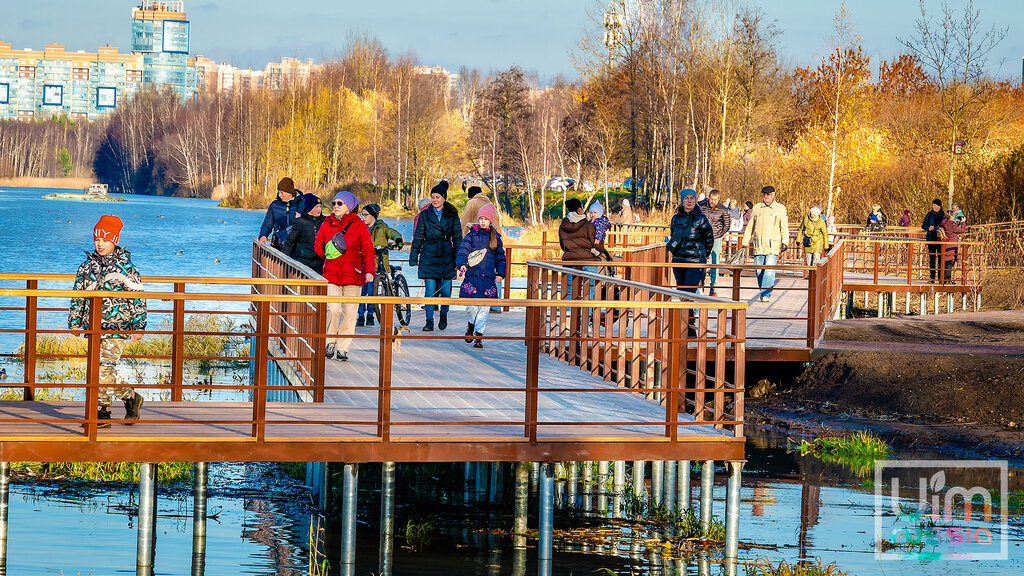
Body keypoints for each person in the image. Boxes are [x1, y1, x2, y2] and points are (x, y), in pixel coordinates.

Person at [68, 215, 146, 428]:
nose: (100, 244)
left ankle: (109, 410)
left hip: (118, 327)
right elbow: (78, 297)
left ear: (115, 241)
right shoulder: (86, 267)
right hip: (94, 328)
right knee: (97, 370)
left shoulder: (126, 268)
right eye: (97, 240)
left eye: (105, 240)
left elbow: (138, 300)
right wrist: (75, 322)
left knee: (103, 370)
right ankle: (124, 400)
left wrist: (138, 327)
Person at [314, 191, 375, 362]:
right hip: (332, 274)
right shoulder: (326, 224)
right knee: (333, 309)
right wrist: (330, 252)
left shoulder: (359, 225)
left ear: (349, 206)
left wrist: (369, 271)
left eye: (340, 203)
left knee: (350, 312)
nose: (335, 207)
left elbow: (369, 250)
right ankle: (330, 341)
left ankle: (343, 348)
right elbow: (318, 248)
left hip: (354, 275)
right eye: (334, 203)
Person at [409, 181, 462, 332]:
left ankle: (444, 314)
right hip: (429, 254)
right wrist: (414, 257)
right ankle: (429, 321)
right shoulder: (424, 215)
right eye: (433, 197)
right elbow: (419, 236)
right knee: (429, 291)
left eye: (437, 197)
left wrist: (459, 259)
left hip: (446, 254)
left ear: (444, 198)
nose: (434, 199)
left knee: (445, 292)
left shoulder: (452, 214)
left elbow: (458, 237)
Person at [456, 204, 507, 348]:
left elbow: (500, 258)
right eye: (481, 218)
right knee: (472, 308)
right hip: (472, 277)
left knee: (484, 309)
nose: (483, 221)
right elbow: (463, 251)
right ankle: (471, 326)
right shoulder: (471, 235)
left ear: (491, 220)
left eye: (486, 219)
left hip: (488, 279)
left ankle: (479, 336)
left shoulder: (495, 237)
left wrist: (500, 274)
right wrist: (462, 264)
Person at [357, 203, 404, 327]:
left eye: (366, 215)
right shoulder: (361, 228)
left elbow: (392, 232)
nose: (363, 217)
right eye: (362, 215)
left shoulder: (382, 227)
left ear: (373, 216)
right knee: (362, 291)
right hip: (364, 264)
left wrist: (398, 240)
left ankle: (371, 314)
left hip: (378, 264)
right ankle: (360, 315)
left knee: (373, 290)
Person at [741, 186, 789, 302]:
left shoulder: (780, 208)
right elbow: (750, 226)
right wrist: (745, 241)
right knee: (758, 270)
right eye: (764, 194)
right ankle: (763, 290)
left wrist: (785, 242)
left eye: (768, 194)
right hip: (759, 244)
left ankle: (766, 294)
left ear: (773, 195)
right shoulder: (757, 207)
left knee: (769, 270)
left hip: (773, 245)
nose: (766, 196)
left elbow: (784, 227)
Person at [667, 189, 714, 293]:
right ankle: (690, 310)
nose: (689, 201)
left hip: (695, 262)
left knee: (688, 292)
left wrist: (703, 254)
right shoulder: (676, 218)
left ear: (695, 200)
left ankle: (691, 309)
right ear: (682, 201)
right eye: (686, 198)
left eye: (692, 198)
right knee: (681, 292)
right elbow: (673, 235)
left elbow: (709, 238)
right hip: (679, 261)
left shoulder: (701, 219)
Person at [558, 198, 600, 298]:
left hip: (570, 259)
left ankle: (568, 313)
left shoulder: (563, 226)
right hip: (588, 260)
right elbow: (595, 244)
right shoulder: (588, 225)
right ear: (579, 210)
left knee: (570, 290)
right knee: (589, 290)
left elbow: (563, 245)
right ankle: (589, 313)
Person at [282, 193, 325, 274]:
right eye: (316, 207)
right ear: (309, 208)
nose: (319, 209)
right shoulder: (300, 222)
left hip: (320, 262)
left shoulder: (324, 221)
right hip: (304, 262)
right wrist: (283, 258)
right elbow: (290, 242)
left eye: (320, 206)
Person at [701, 189, 732, 297]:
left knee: (715, 262)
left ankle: (713, 286)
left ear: (718, 199)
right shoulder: (702, 207)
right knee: (702, 261)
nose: (712, 202)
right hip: (703, 238)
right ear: (708, 197)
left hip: (716, 238)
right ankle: (701, 285)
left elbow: (727, 225)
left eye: (715, 200)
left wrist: (719, 234)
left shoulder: (723, 210)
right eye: (711, 199)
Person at [258, 177, 300, 248]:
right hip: (278, 243)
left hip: (296, 245)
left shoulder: (300, 204)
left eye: (282, 192)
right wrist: (263, 235)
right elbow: (267, 224)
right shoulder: (274, 205)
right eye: (279, 192)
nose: (279, 195)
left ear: (289, 193)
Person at [922, 199, 946, 282]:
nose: (933, 206)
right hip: (931, 238)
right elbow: (924, 224)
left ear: (939, 206)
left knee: (940, 258)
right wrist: (928, 227)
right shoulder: (929, 214)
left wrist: (935, 228)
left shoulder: (943, 215)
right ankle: (932, 277)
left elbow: (945, 225)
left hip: (940, 239)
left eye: (935, 205)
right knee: (932, 258)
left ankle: (940, 278)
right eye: (933, 205)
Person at [939, 211, 967, 284]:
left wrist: (958, 222)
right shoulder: (952, 226)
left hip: (946, 245)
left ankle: (944, 279)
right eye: (953, 216)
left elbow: (953, 227)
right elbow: (961, 230)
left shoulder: (945, 223)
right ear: (951, 217)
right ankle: (947, 280)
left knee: (946, 262)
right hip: (951, 246)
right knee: (949, 263)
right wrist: (963, 222)